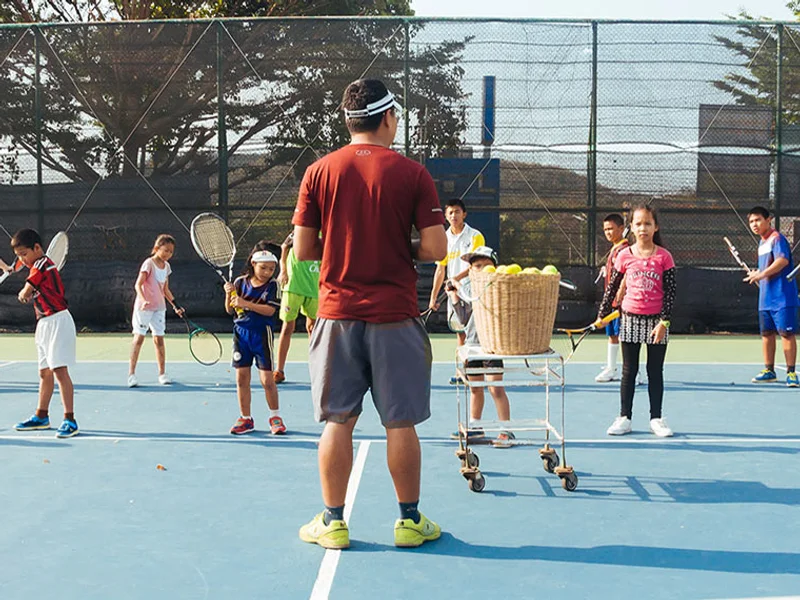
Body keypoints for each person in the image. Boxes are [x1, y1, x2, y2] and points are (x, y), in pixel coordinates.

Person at [293, 78, 447, 550]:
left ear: (348, 120)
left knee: (337, 421)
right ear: (386, 119)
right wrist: (397, 242)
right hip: (396, 316)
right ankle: (409, 521)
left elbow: (302, 251)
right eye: (397, 116)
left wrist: (341, 243)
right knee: (400, 423)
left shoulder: (319, 171)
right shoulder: (412, 173)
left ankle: (332, 522)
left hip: (336, 315)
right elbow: (437, 247)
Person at [596, 204, 676, 437]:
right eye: (638, 224)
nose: (643, 228)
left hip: (657, 322)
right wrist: (602, 314)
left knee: (654, 370)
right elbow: (611, 289)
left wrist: (664, 322)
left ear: (655, 227)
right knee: (629, 371)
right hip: (630, 318)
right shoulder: (624, 255)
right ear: (631, 228)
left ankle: (656, 419)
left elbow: (670, 293)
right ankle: (624, 418)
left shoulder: (664, 257)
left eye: (647, 223)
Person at [9, 229, 79, 438]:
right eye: (19, 255)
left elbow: (28, 287)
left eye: (24, 253)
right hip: (44, 323)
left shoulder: (43, 263)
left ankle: (70, 419)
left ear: (37, 248)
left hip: (58, 320)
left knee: (59, 371)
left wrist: (24, 292)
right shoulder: (35, 265)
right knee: (44, 373)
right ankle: (42, 416)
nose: (22, 258)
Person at [447, 246, 513, 447]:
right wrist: (453, 295)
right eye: (476, 266)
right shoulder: (469, 289)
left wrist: (458, 286)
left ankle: (506, 431)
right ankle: (475, 428)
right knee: (475, 388)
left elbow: (475, 297)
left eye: (485, 265)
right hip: (473, 346)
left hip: (492, 346)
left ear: (495, 267)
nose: (481, 269)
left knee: (495, 388)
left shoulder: (496, 287)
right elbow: (464, 318)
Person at [224, 245, 286, 435]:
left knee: (267, 380)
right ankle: (246, 419)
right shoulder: (240, 283)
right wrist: (229, 294)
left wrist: (246, 304)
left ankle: (275, 417)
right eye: (263, 268)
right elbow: (229, 310)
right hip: (241, 334)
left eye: (271, 269)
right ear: (253, 264)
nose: (267, 272)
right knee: (241, 378)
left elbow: (270, 311)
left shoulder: (274, 285)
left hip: (261, 335)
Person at [745, 206, 800, 387]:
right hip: (765, 299)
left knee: (786, 334)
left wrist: (760, 275)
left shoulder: (777, 239)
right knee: (767, 334)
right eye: (752, 221)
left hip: (783, 297)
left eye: (758, 220)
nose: (755, 224)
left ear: (768, 220)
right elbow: (767, 268)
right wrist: (758, 273)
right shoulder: (762, 243)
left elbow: (782, 261)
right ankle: (769, 370)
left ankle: (791, 373)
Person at [128, 234, 183, 387]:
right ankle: (131, 375)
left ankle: (162, 374)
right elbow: (138, 285)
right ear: (157, 249)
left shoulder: (167, 267)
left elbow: (165, 289)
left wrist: (176, 305)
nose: (168, 254)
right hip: (143, 308)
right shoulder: (148, 264)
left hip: (159, 308)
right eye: (165, 250)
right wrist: (143, 299)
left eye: (171, 252)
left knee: (159, 340)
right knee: (138, 339)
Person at [428, 198, 485, 345]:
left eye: (457, 212)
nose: (454, 216)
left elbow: (476, 265)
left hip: (473, 293)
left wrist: (455, 279)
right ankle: (461, 368)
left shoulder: (475, 236)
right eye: (450, 213)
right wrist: (433, 297)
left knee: (475, 335)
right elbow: (440, 269)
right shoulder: (444, 239)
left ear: (464, 214)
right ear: (446, 216)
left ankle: (475, 366)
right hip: (454, 295)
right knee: (460, 335)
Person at [273, 231, 320, 384]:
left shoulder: (329, 231)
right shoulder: (302, 229)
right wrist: (283, 271)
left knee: (313, 329)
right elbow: (284, 247)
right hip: (293, 286)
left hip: (315, 288)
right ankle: (279, 370)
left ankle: (317, 369)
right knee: (287, 327)